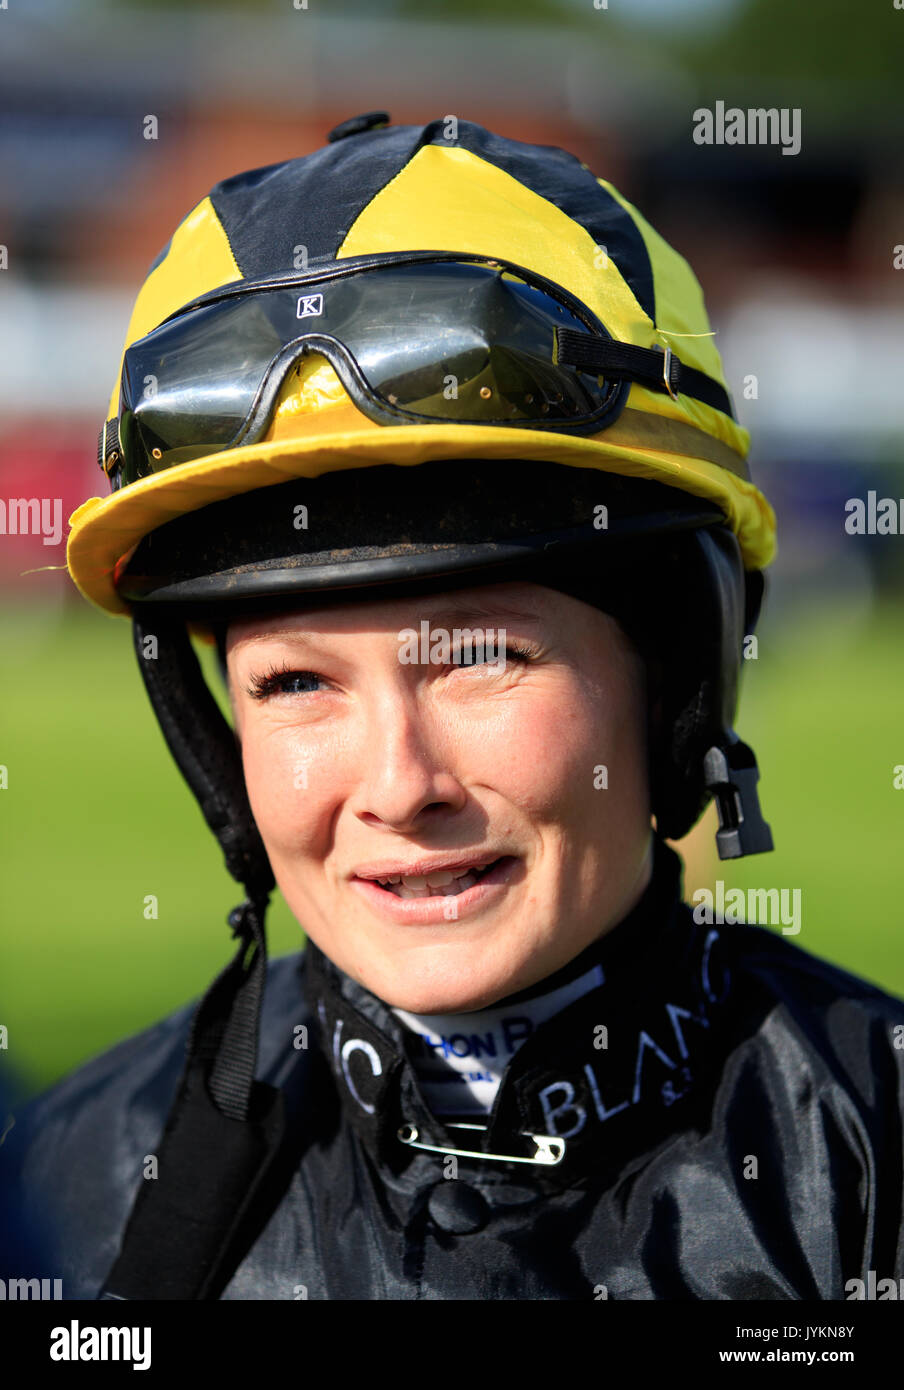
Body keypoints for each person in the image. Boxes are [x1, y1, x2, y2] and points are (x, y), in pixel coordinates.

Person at [3, 113, 903, 1302]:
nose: (395, 784)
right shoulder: (72, 1195)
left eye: (480, 656)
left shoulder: (865, 1164)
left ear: (676, 678)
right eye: (295, 683)